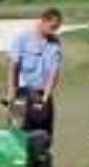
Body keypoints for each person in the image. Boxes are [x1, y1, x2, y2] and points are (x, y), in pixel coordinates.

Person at [7, 7, 64, 137]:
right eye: (52, 27)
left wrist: (45, 98)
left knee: (45, 135)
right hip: (22, 93)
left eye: (56, 28)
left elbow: (53, 72)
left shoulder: (54, 43)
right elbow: (13, 66)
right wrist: (12, 93)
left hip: (42, 93)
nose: (54, 31)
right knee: (18, 136)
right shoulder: (22, 38)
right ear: (43, 21)